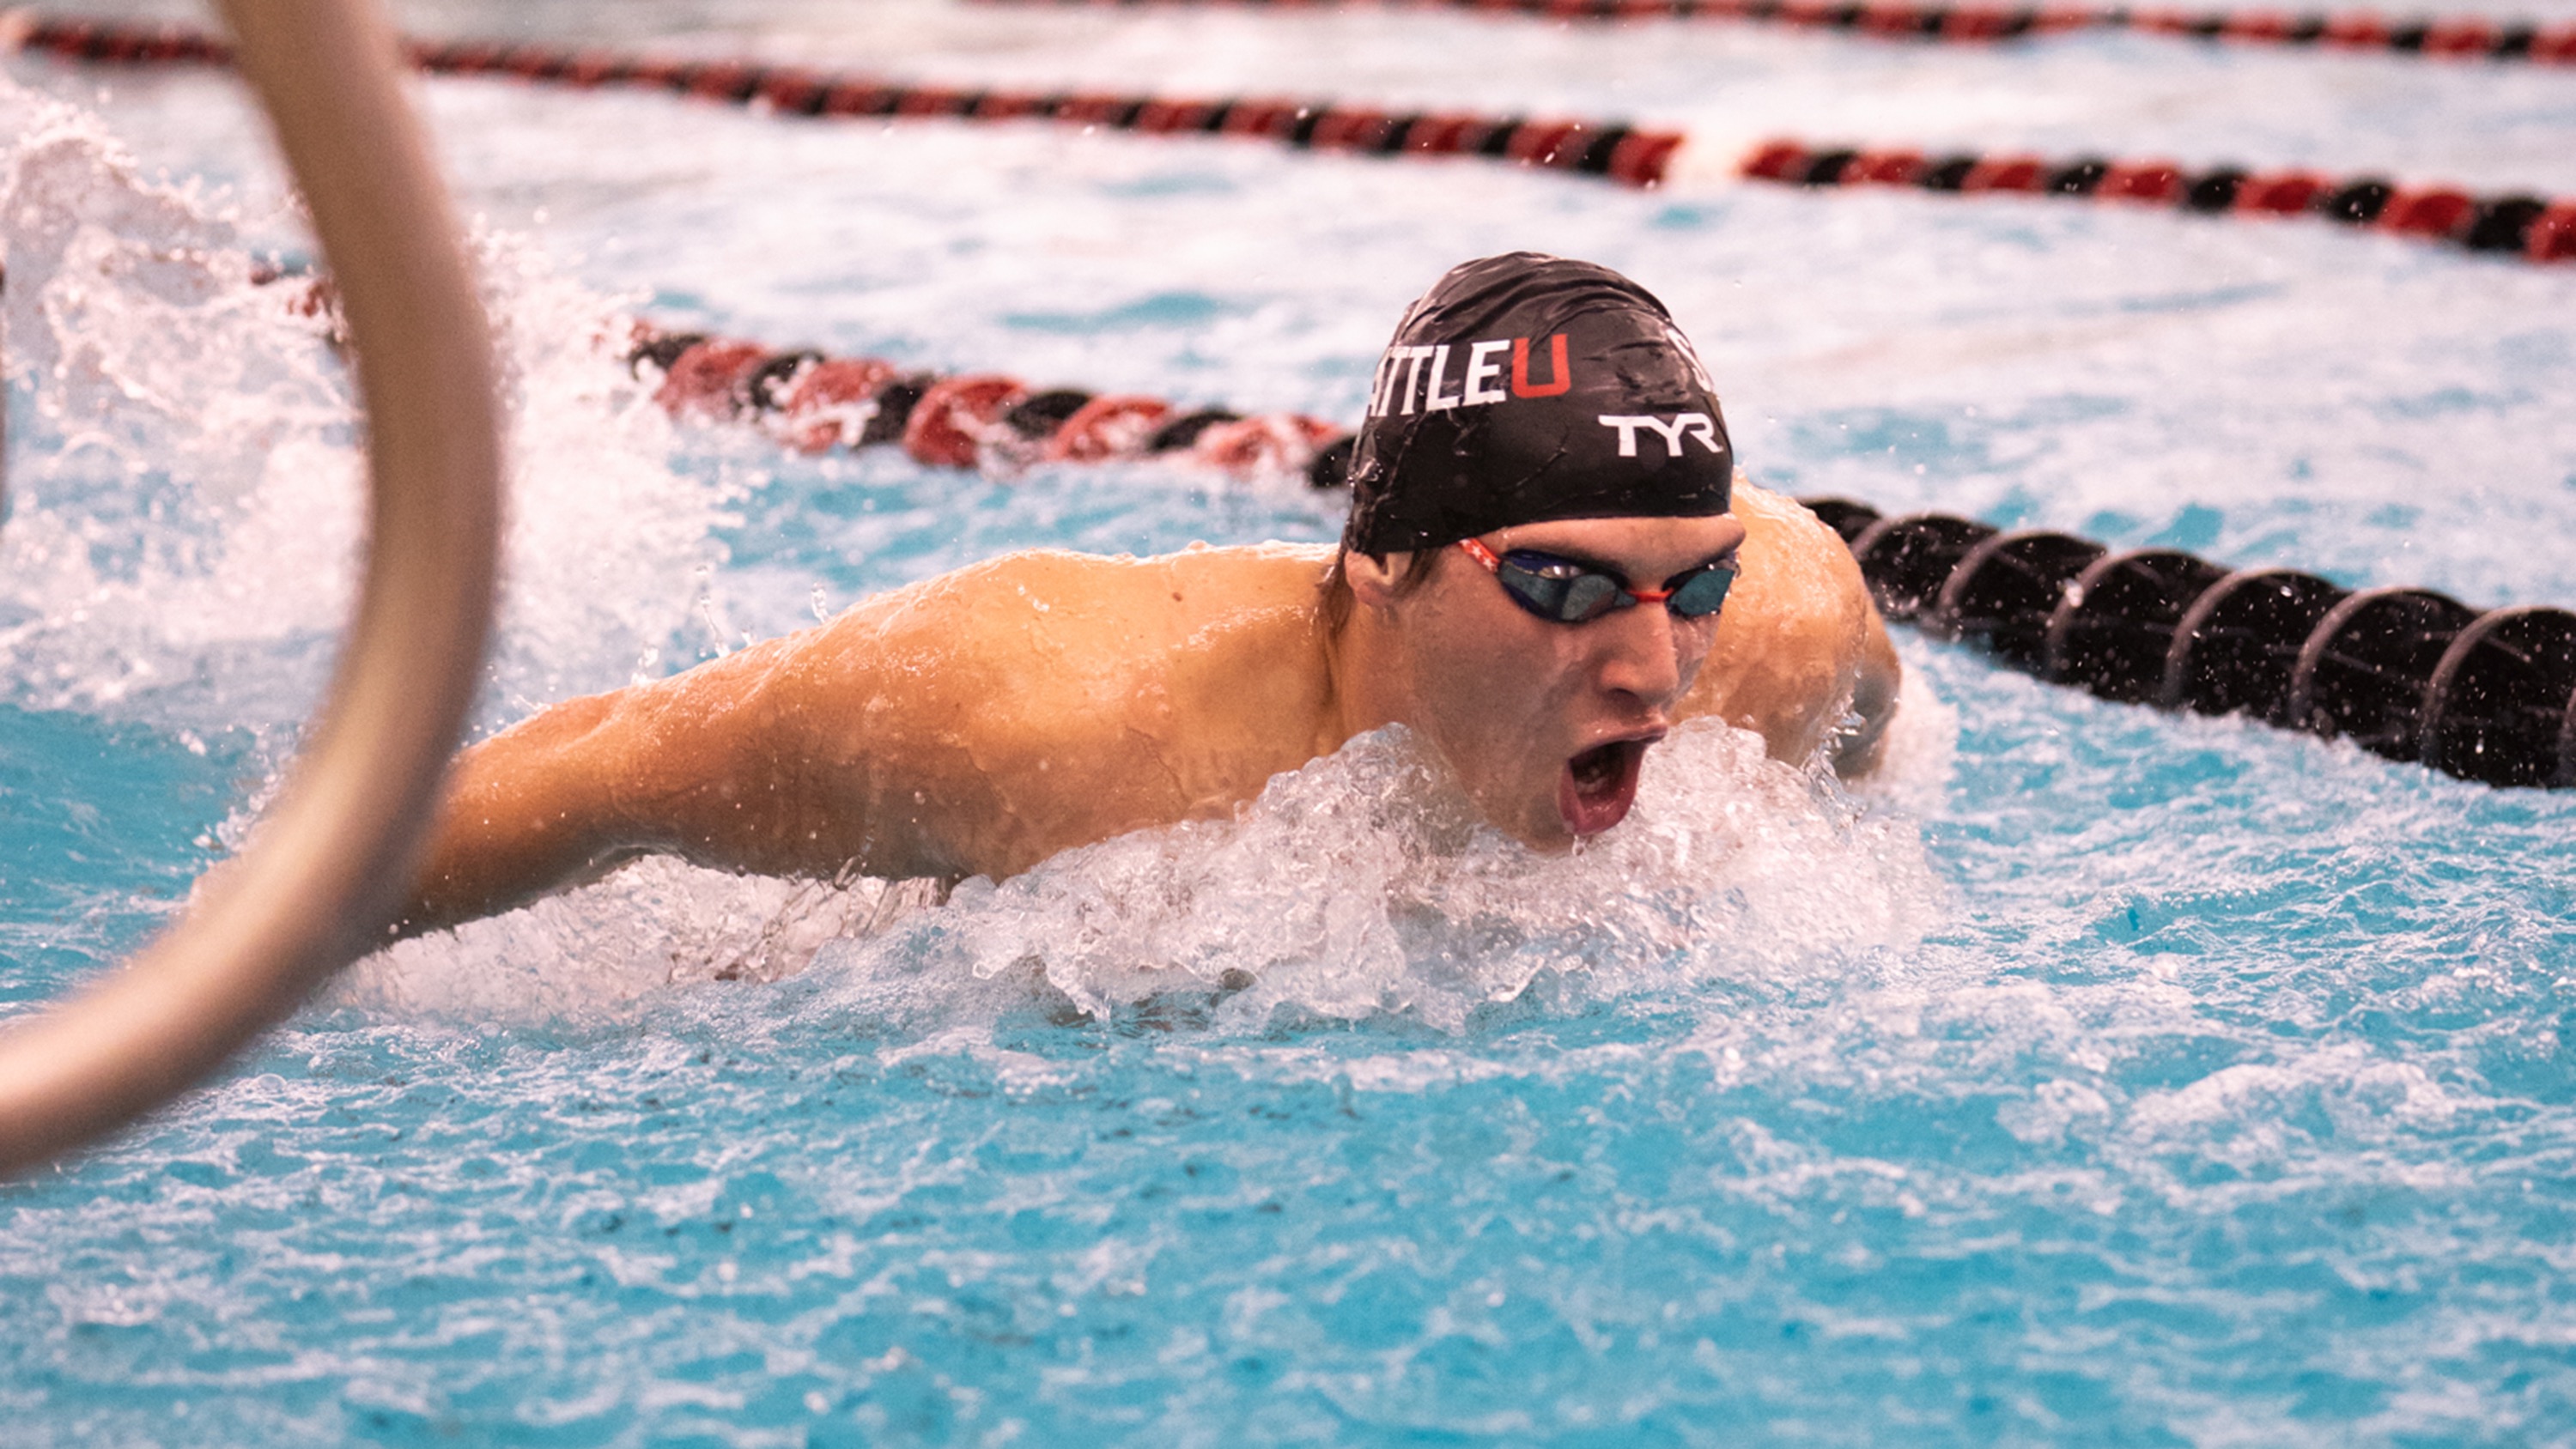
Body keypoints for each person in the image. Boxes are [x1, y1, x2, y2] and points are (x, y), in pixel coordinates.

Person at [396, 253, 1900, 937]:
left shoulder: (1787, 629)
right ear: (1385, 559)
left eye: (1691, 582)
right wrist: (223, 977)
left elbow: (1884, 752)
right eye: (1569, 587)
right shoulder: (1035, 719)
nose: (1658, 671)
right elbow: (599, 770)